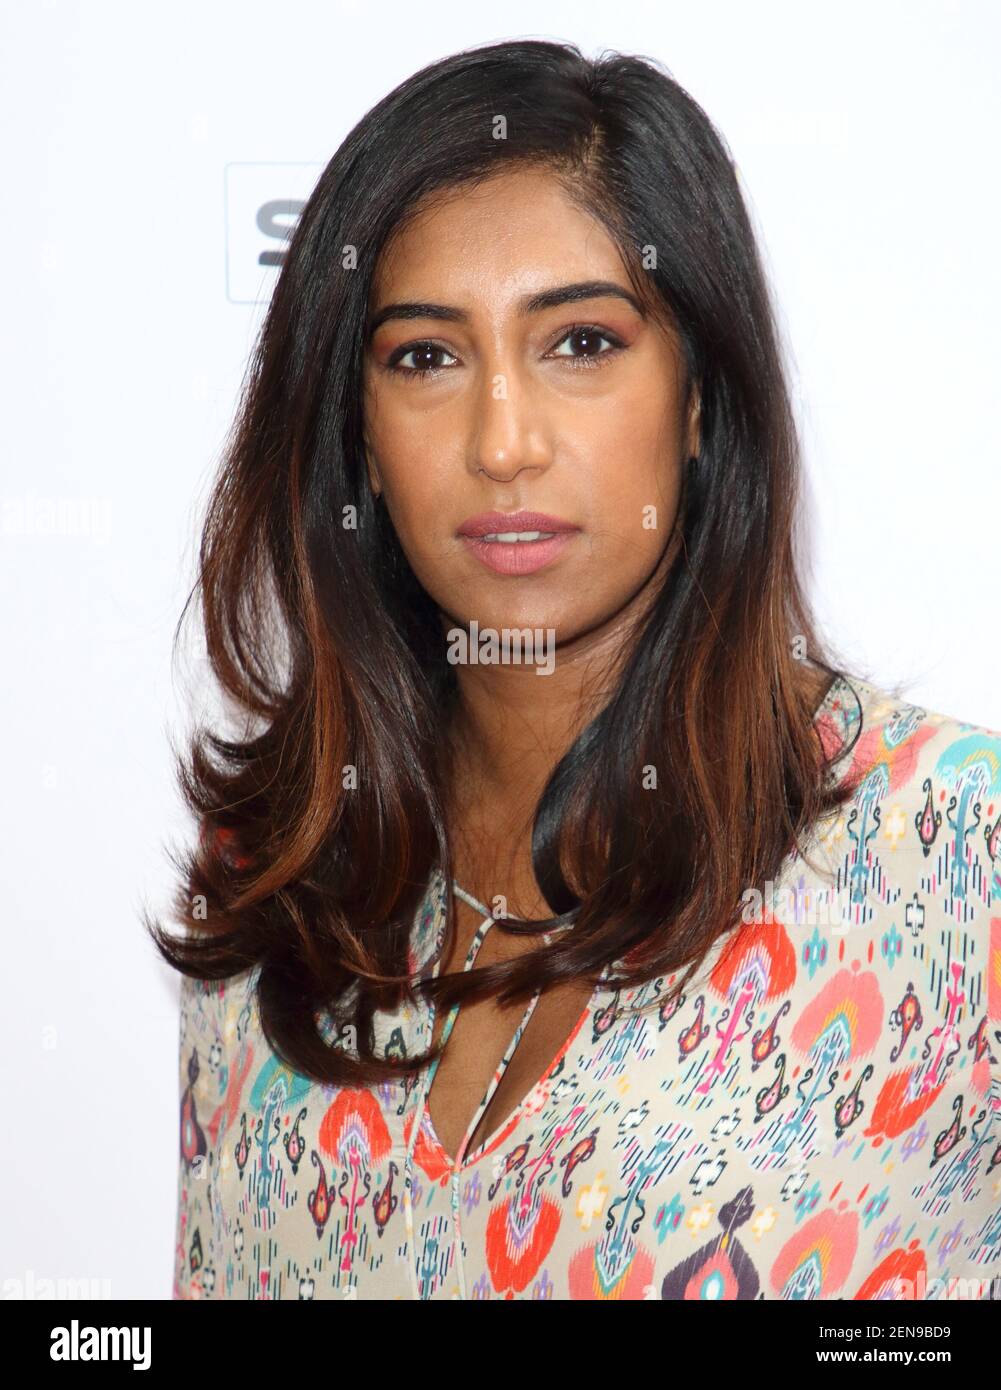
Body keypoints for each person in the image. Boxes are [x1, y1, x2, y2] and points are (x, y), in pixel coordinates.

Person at [153, 38, 1001, 1301]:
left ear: (700, 395)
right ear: (360, 441)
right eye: (425, 356)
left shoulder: (951, 857)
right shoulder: (283, 876)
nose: (504, 441)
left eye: (582, 343)